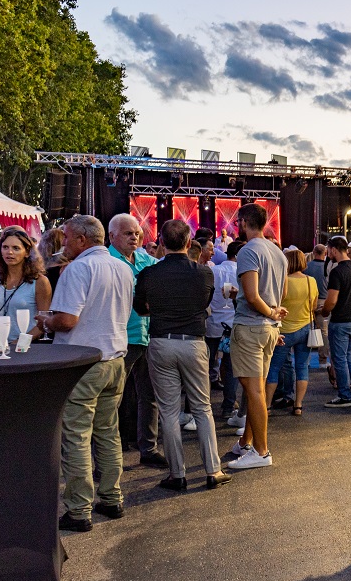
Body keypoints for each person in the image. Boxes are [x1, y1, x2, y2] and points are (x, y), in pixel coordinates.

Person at [37, 215, 134, 532]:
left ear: (81, 239)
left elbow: (67, 320)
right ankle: (112, 498)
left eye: (66, 237)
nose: (62, 242)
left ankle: (79, 510)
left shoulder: (79, 268)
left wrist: (47, 320)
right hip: (115, 359)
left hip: (84, 362)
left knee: (77, 437)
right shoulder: (122, 267)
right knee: (108, 432)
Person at [133, 219, 229, 491]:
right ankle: (213, 470)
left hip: (161, 341)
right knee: (202, 407)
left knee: (169, 411)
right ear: (189, 243)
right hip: (194, 342)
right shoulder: (204, 274)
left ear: (161, 242)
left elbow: (140, 308)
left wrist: (161, 310)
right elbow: (203, 304)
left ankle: (178, 474)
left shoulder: (148, 275)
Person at [226, 203, 288, 470]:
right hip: (268, 330)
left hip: (252, 326)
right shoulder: (278, 253)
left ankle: (261, 452)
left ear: (242, 222)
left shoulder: (248, 251)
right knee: (256, 390)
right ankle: (246, 442)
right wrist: (273, 312)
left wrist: (270, 312)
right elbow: (280, 293)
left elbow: (252, 296)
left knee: (253, 390)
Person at [106, 213, 163, 467]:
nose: (135, 237)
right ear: (112, 236)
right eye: (128, 233)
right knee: (113, 399)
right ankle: (108, 456)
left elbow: (163, 278)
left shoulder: (146, 259)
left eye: (137, 233)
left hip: (148, 335)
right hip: (120, 337)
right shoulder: (105, 261)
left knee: (149, 395)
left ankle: (148, 449)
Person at [266, 247, 318, 417]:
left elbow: (275, 303)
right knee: (302, 366)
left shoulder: (283, 281)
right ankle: (298, 405)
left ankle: (266, 405)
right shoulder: (311, 281)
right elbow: (314, 307)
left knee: (274, 367)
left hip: (284, 330)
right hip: (305, 329)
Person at [0, 226, 52, 343]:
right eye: (5, 247)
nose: (10, 252)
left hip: (23, 347)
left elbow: (44, 322)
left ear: (27, 252)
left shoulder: (40, 282)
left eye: (16, 248)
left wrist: (19, 342)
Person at [321, 236, 351, 408]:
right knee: (348, 356)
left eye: (329, 250)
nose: (328, 254)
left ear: (333, 250)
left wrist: (324, 311)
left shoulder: (337, 272)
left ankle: (345, 395)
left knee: (339, 358)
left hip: (340, 319)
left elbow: (332, 300)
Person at [207, 240, 240, 418]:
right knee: (231, 366)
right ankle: (228, 405)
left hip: (213, 323)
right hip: (232, 324)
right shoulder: (242, 272)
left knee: (206, 365)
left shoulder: (214, 270)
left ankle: (203, 406)